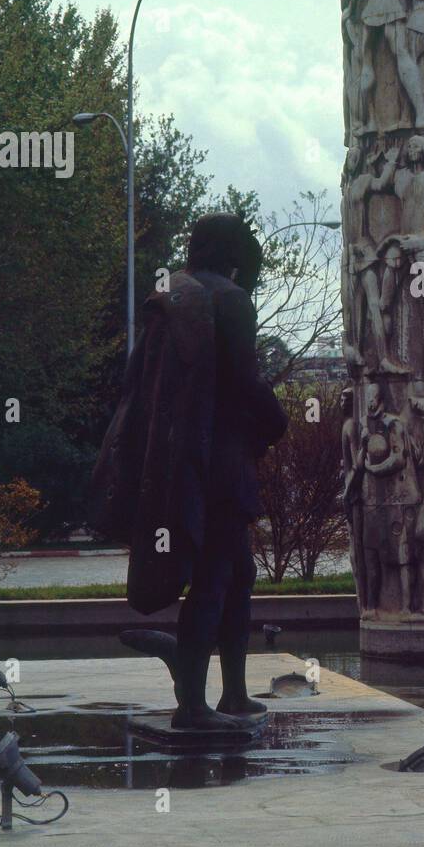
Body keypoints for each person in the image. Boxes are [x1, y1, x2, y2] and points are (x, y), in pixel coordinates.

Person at [91, 213, 288, 730]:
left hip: (182, 454)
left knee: (237, 572)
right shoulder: (230, 299)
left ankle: (234, 695)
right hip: (221, 457)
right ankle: (195, 708)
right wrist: (277, 419)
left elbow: (137, 389)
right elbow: (246, 380)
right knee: (216, 574)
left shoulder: (170, 296)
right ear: (233, 251)